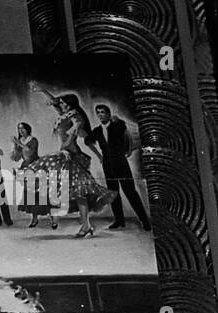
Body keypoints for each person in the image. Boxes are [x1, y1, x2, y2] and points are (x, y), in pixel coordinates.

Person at [28, 85, 114, 238]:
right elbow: (54, 102)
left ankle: (86, 225)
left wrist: (64, 148)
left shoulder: (74, 116)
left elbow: (73, 135)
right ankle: (86, 225)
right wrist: (42, 90)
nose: (58, 104)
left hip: (71, 154)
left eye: (62, 102)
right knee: (78, 193)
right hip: (67, 153)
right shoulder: (65, 114)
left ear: (68, 104)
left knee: (80, 192)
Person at [87, 103, 151, 231]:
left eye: (103, 112)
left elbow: (125, 133)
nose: (100, 115)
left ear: (109, 114)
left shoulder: (117, 125)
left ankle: (144, 221)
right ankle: (119, 221)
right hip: (107, 165)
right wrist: (99, 156)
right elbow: (87, 141)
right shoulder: (97, 131)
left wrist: (127, 149)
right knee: (113, 193)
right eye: (98, 112)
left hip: (121, 163)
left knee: (130, 192)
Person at [10, 121, 53, 228]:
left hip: (36, 166)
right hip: (26, 167)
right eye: (19, 129)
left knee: (42, 193)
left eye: (23, 128)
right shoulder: (21, 140)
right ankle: (34, 219)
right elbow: (16, 158)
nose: (21, 130)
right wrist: (15, 146)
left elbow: (30, 153)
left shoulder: (33, 140)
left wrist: (19, 143)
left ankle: (52, 218)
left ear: (27, 129)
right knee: (31, 194)